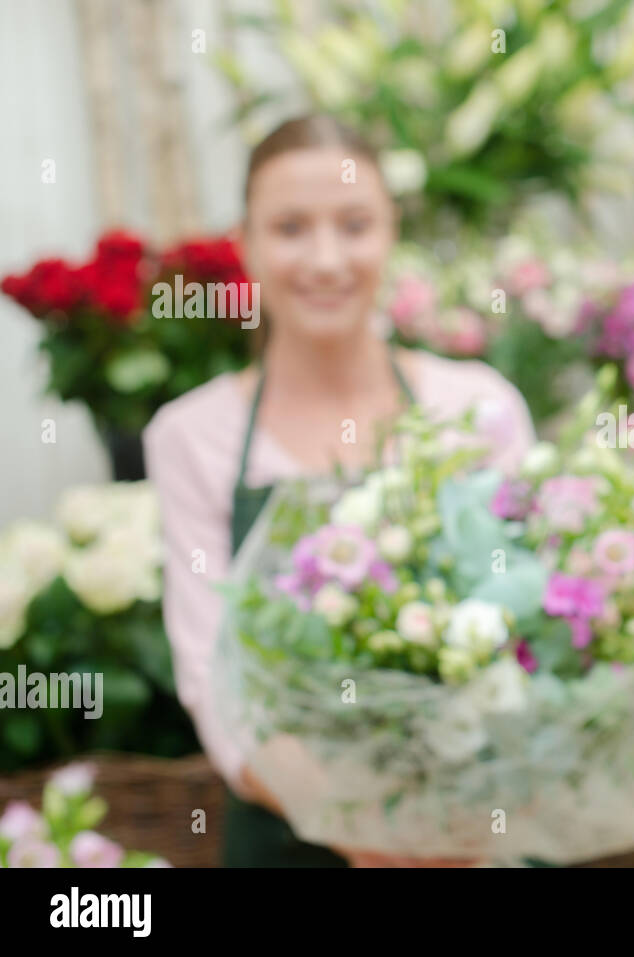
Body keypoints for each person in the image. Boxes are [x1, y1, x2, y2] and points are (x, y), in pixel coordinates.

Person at [143, 115, 535, 867]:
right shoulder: (190, 438)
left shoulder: (477, 408)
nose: (326, 259)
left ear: (391, 234)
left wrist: (451, 825)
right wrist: (365, 829)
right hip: (291, 837)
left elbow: (532, 632)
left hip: (472, 834)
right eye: (290, 227)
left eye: (354, 225)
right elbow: (213, 679)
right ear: (247, 243)